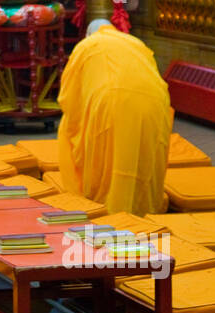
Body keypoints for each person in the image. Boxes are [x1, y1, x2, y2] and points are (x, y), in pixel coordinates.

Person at [57, 19, 173, 216]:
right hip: (155, 101)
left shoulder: (86, 45)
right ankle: (145, 211)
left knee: (111, 157)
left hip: (110, 100)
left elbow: (69, 96)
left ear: (88, 34)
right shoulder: (136, 43)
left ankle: (110, 212)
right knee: (145, 153)